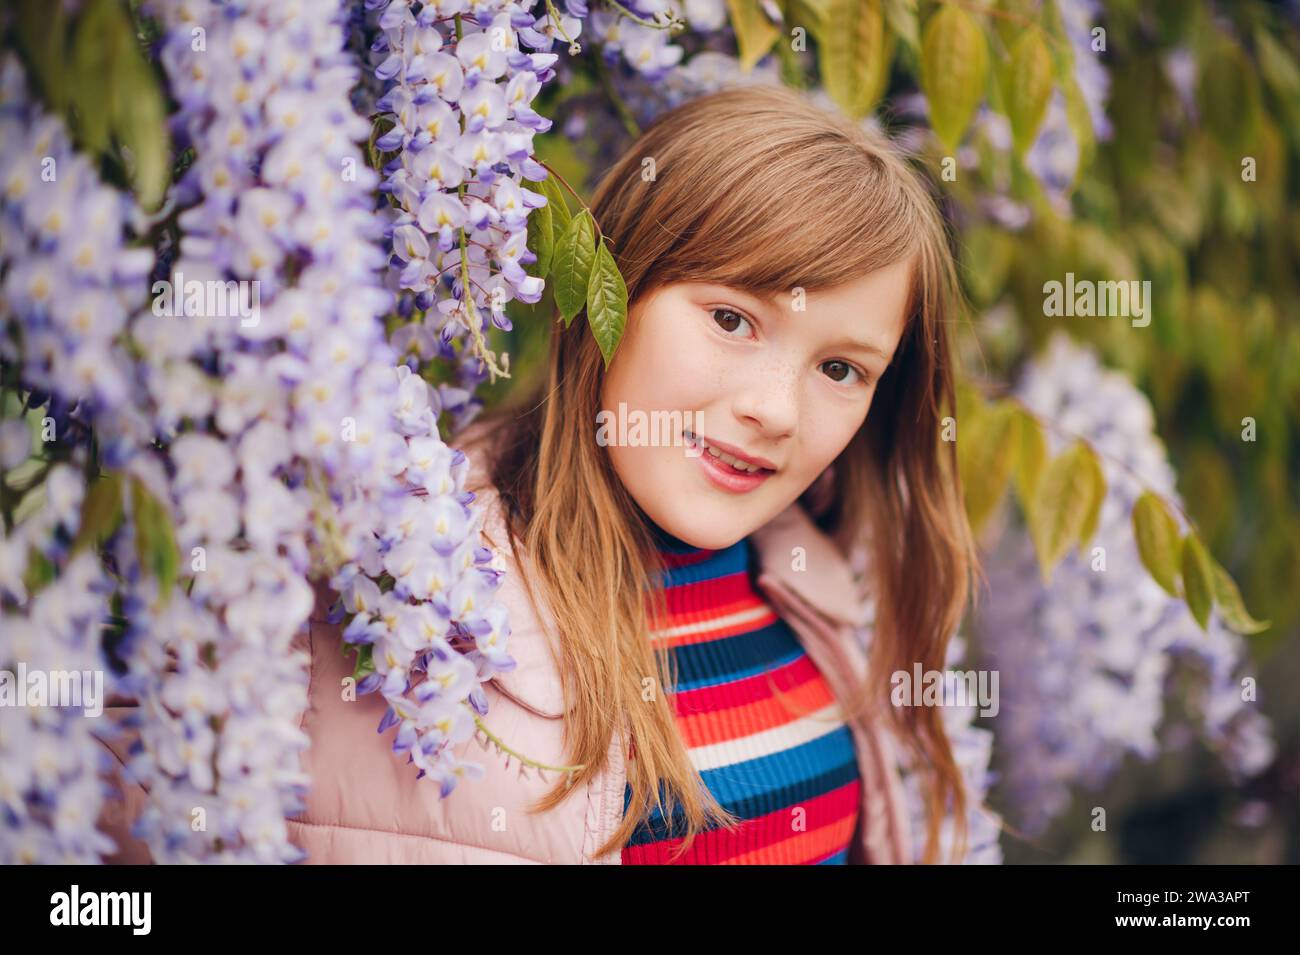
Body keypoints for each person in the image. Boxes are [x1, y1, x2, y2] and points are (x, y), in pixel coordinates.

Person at [96, 82, 978, 865]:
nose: (776, 410)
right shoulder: (391, 584)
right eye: (731, 319)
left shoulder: (827, 593)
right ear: (613, 285)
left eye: (840, 370)